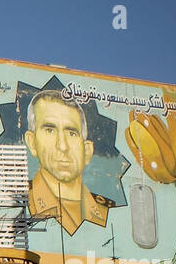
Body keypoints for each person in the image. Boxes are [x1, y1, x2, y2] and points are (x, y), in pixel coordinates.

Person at [23, 89, 113, 234]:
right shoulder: (20, 203)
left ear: (87, 151)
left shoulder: (107, 212)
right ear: (32, 143)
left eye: (72, 133)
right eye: (50, 130)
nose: (63, 146)